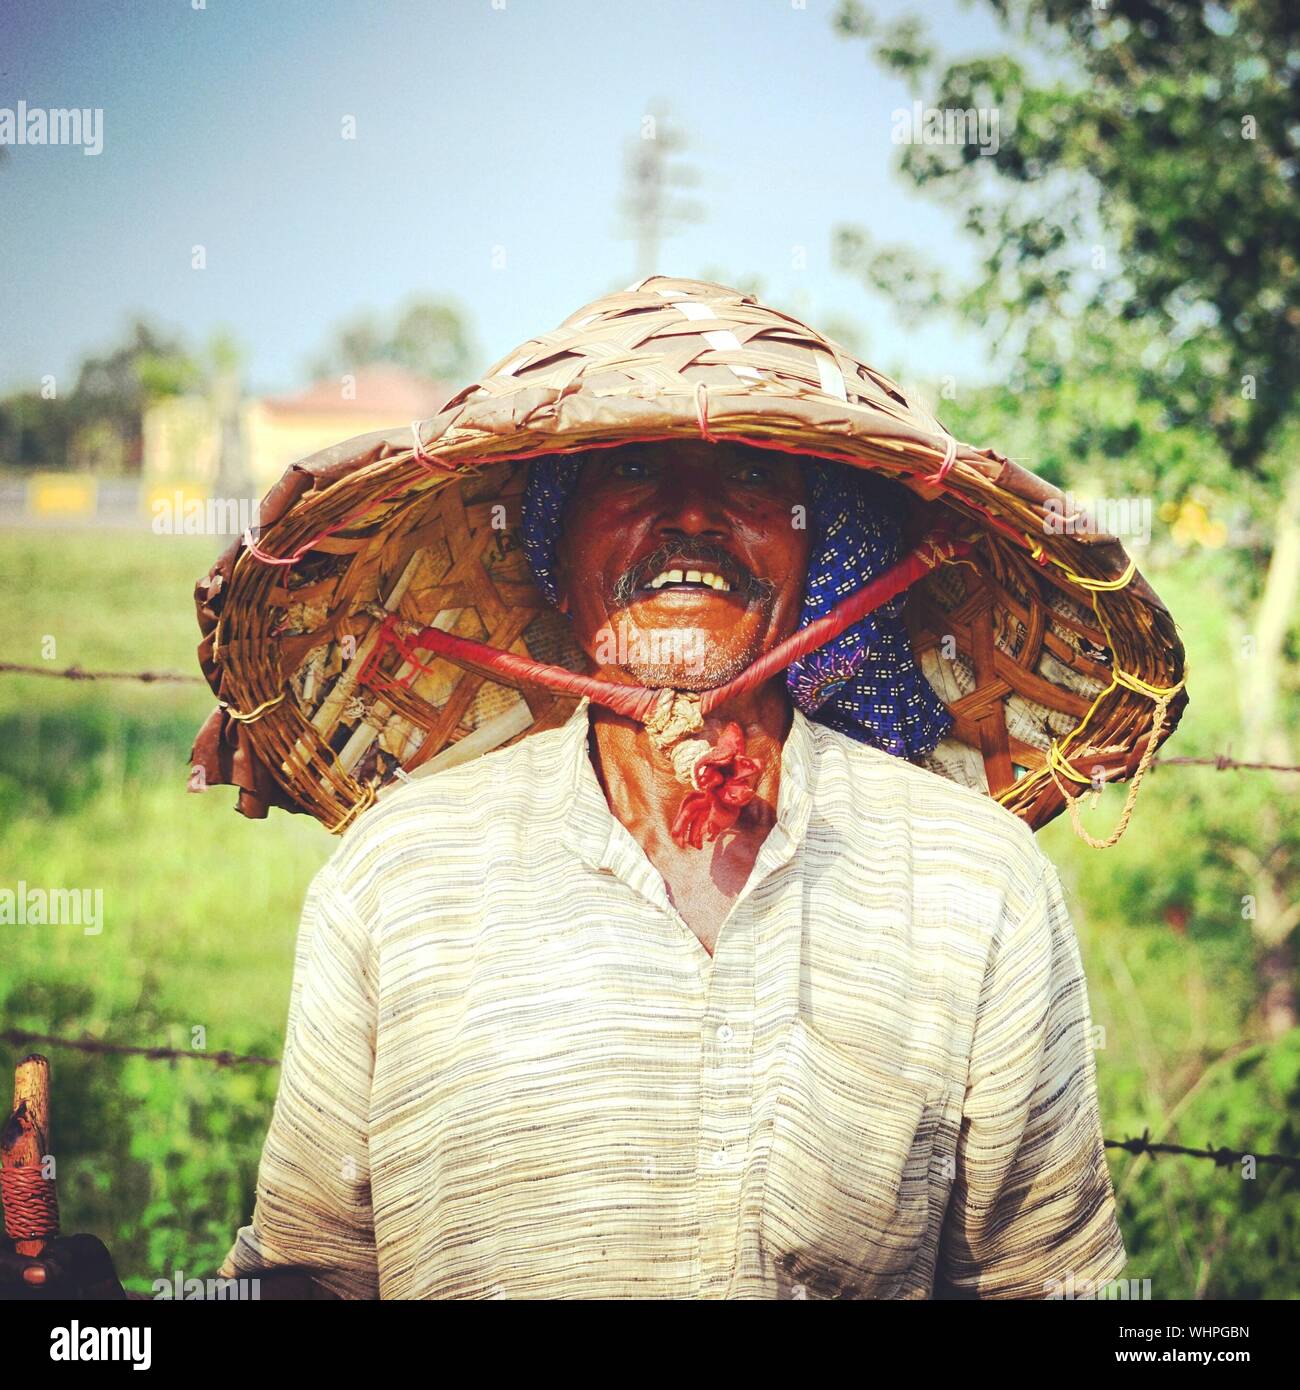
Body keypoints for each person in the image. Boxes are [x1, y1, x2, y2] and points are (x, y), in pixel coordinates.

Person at [3, 278, 1186, 1300]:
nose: (687, 514)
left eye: (747, 471)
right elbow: (315, 1274)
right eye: (627, 471)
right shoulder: (398, 874)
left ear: (820, 551)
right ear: (550, 556)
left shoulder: (973, 882)